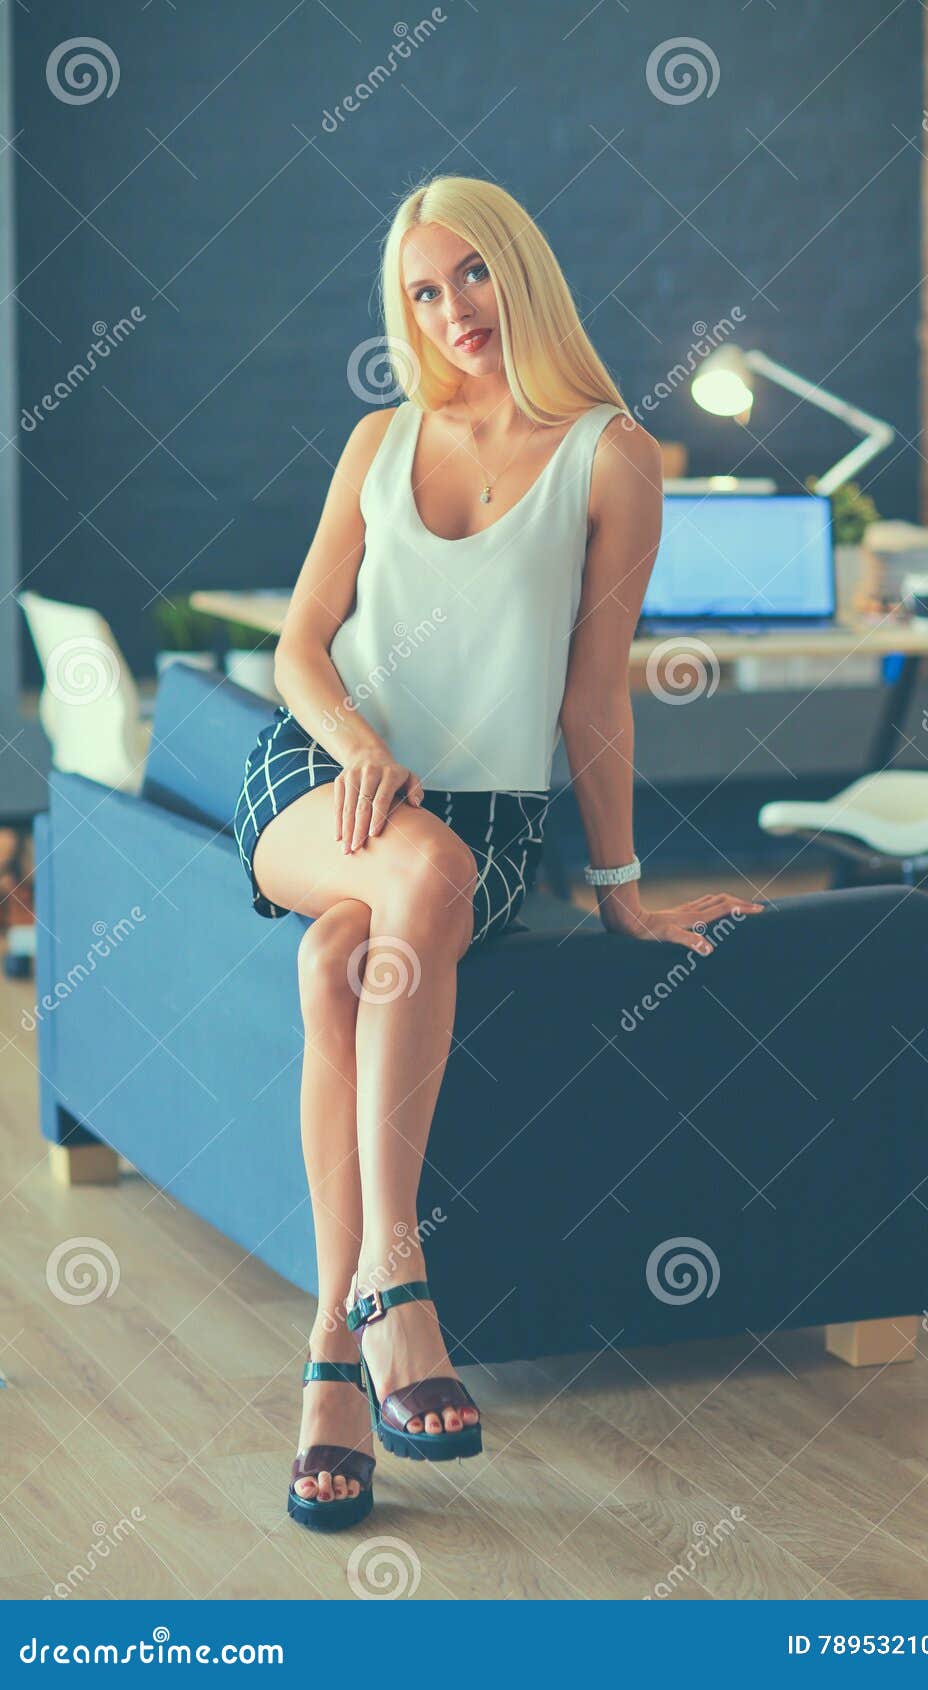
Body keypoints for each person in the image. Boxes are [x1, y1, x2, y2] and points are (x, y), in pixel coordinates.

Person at [231, 173, 765, 1532]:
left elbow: (596, 697)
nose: (452, 308)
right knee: (401, 879)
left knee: (337, 959)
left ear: (520, 271)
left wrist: (623, 893)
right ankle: (400, 1290)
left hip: (485, 819)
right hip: (324, 780)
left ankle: (329, 1370)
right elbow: (298, 642)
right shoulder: (377, 440)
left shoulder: (612, 458)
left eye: (473, 274)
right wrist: (356, 744)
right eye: (424, 289)